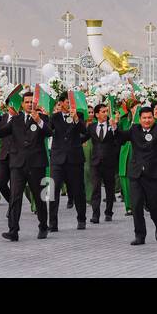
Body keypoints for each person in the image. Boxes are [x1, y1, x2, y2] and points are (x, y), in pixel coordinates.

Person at [0, 94, 51, 241]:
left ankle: (43, 226)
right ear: (22, 104)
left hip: (36, 164)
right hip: (17, 164)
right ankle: (13, 230)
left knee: (39, 197)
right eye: (27, 102)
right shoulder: (16, 119)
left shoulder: (42, 118)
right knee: (15, 197)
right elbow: (0, 133)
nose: (29, 104)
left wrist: (38, 121)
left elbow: (50, 132)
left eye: (32, 102)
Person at [115, 104, 157, 245]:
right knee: (136, 205)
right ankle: (140, 235)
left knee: (153, 205)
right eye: (144, 118)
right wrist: (114, 126)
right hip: (136, 173)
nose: (147, 120)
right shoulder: (134, 129)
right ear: (139, 119)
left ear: (153, 118)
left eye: (149, 117)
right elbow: (121, 137)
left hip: (153, 173)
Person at [47, 96, 88, 231]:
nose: (70, 104)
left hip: (74, 159)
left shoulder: (79, 115)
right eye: (67, 102)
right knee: (53, 190)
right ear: (61, 103)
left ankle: (81, 218)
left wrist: (75, 118)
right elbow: (47, 131)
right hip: (57, 159)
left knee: (78, 190)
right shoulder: (55, 117)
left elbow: (84, 131)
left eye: (71, 102)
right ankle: (52, 223)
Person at [87, 104, 120, 223]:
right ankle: (95, 215)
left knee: (109, 189)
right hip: (96, 162)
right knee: (96, 188)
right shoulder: (91, 127)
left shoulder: (112, 125)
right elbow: (83, 137)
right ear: (97, 114)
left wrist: (115, 127)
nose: (106, 113)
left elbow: (119, 138)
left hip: (109, 162)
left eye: (106, 111)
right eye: (103, 111)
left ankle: (109, 212)